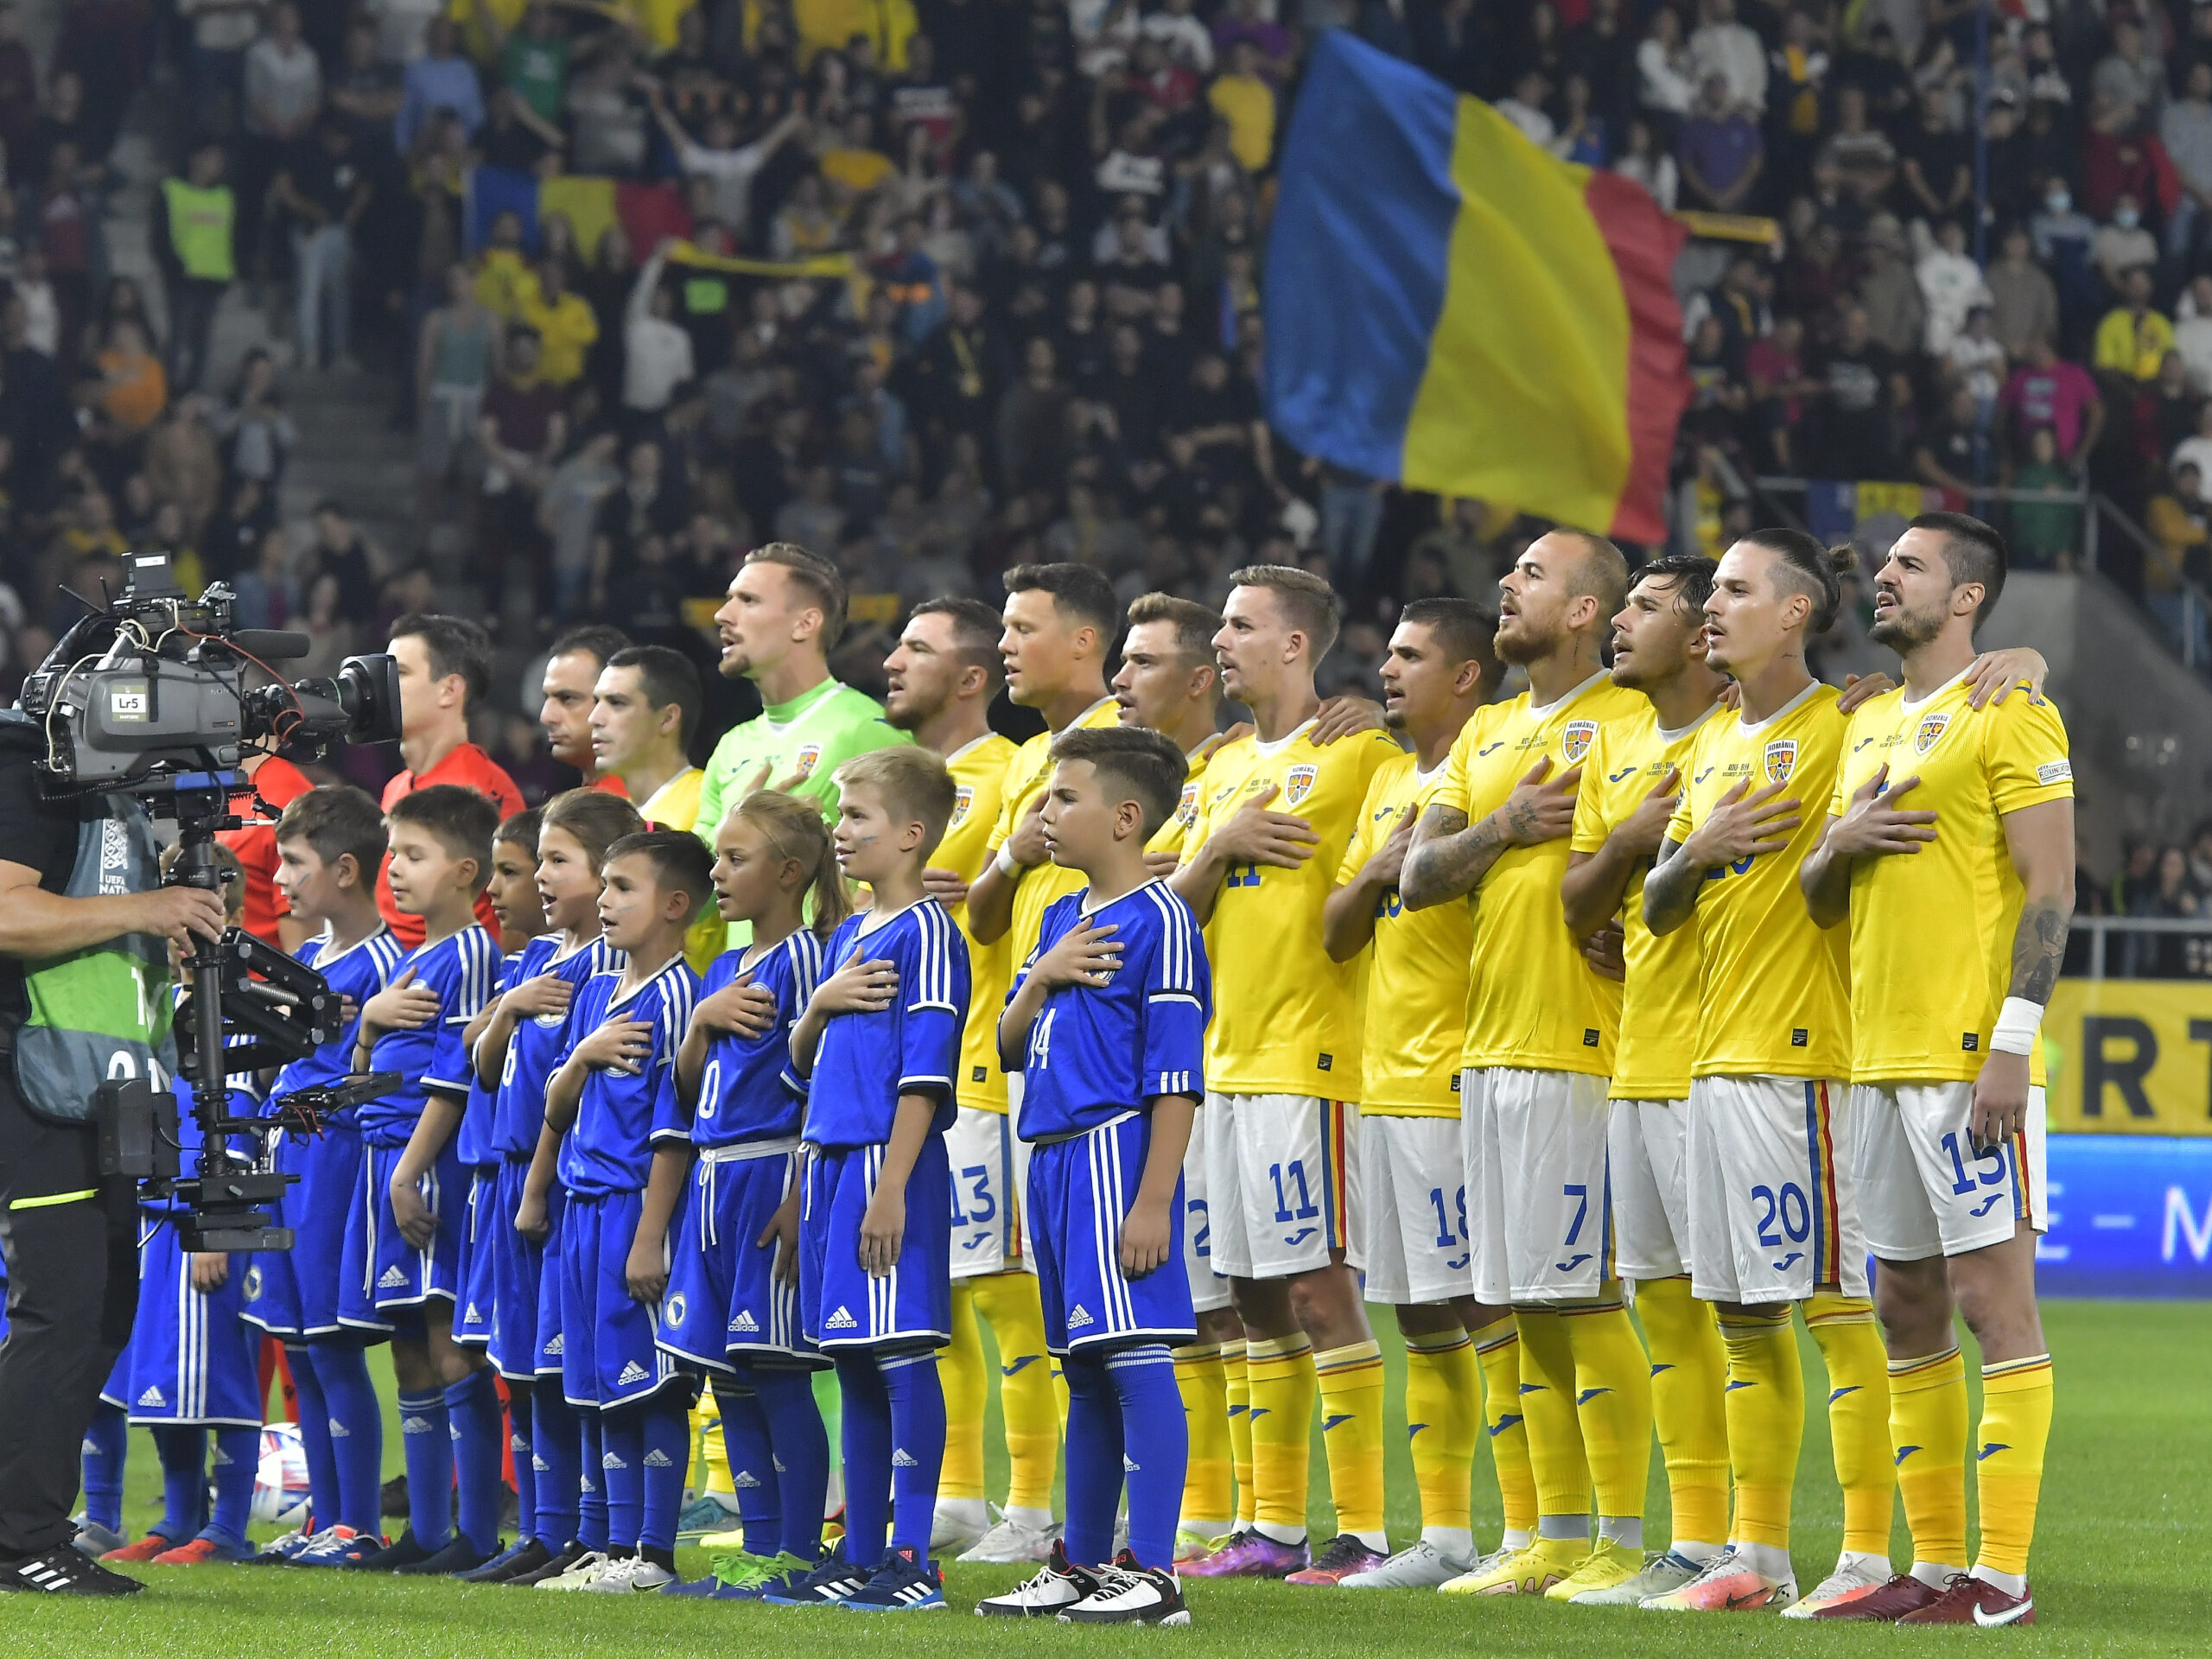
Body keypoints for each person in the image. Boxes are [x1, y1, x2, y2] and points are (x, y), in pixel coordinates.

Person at [1800, 513, 2071, 1626]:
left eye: (1910, 565)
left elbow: (2050, 887)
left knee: (1990, 1303)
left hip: (1967, 1058)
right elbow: (1819, 898)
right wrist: (1836, 845)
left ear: (1967, 598)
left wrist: (2011, 1043)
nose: (1885, 577)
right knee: (1902, 1305)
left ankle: (1999, 1579)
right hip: (1870, 1059)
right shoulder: (1866, 727)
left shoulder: (2011, 710)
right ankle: (1931, 1560)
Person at [1638, 531, 1896, 1614]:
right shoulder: (1708, 748)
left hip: (1802, 1057)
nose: (1713, 606)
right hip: (1709, 1059)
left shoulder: (1844, 724)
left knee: (1833, 1306)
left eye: (1736, 592)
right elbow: (1653, 907)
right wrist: (1692, 854)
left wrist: (2010, 662)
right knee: (1743, 1313)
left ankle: (1870, 1558)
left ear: (1797, 613)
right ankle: (1757, 1554)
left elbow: (1951, 698)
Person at [1400, 531, 1655, 1599]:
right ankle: (1549, 1535)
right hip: (1489, 1046)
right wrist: (1504, 826)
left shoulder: (1632, 716)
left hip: (1578, 1039)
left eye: (1532, 575)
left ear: (1590, 609)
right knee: (1520, 1305)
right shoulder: (1492, 729)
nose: (1506, 586)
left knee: (1585, 1299)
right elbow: (1418, 876)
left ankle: (1629, 1539)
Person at [1170, 565, 1401, 1585]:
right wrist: (1217, 846)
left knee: (1317, 1293)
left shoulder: (1358, 752)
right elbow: (1167, 907)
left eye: (1238, 626)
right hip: (1223, 1060)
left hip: (1310, 1061)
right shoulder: (1214, 770)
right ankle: (1270, 1529)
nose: (1218, 642)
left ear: (1296, 644)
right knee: (1250, 1297)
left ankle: (1364, 1532)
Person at [1319, 598, 1530, 1592]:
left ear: (1466, 678)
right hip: (1382, 1078)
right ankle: (1444, 1536)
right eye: (1385, 652)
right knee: (1415, 1311)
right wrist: (1373, 873)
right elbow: (1337, 929)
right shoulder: (1390, 779)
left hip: (1456, 1071)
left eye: (1410, 656)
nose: (1386, 669)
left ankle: (1528, 1531)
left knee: (1484, 1304)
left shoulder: (1490, 756)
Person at [0, 686, 227, 1595]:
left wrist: (167, 926)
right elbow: (6, 914)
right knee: (60, 1310)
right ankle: (22, 1544)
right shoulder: (28, 776)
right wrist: (147, 908)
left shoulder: (110, 801)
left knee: (100, 1312)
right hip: (36, 1081)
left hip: (100, 1091)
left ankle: (32, 1529)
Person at [979, 725, 1208, 1624]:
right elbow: (1005, 1046)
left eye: (1063, 797)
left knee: (1133, 1354)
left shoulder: (1162, 920)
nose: (1045, 811)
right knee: (1080, 1366)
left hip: (1116, 1153)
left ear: (1123, 818)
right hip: (1052, 1159)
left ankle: (1153, 1577)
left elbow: (1177, 1077)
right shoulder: (1055, 921)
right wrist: (1037, 977)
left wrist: (1152, 1199)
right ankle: (1079, 1564)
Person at [1555, 555, 1732, 1603]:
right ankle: (1694, 1538)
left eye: (1645, 607)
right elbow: (1576, 907)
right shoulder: (1621, 745)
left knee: (1758, 1313)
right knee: (1662, 1310)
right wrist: (1631, 854)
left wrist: (2020, 656)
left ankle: (1745, 1545)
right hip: (1638, 1053)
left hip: (1727, 1057)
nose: (1619, 622)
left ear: (1701, 631)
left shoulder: (1742, 732)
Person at [771, 747, 968, 1611]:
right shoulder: (848, 936)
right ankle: (858, 1550)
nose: (839, 832)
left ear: (912, 834)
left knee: (898, 1356)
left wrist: (890, 1189)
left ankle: (913, 1556)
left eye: (857, 818)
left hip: (886, 1168)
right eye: (839, 816)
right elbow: (799, 1067)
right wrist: (816, 1005)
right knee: (850, 1358)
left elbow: (925, 1076)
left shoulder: (926, 933)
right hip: (826, 1167)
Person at [878, 599, 1049, 1561]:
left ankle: (1030, 1509)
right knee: (937, 1296)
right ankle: (960, 1495)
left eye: (917, 647)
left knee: (999, 1289)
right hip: (906, 1072)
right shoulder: (896, 783)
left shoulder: (1007, 773)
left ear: (974, 676)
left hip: (983, 1062)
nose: (893, 660)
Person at [659, 791, 845, 1599]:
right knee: (730, 1372)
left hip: (769, 1172)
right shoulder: (725, 970)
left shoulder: (807, 957)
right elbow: (688, 1087)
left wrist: (802, 1193)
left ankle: (800, 1551)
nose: (717, 872)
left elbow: (818, 1085)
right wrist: (699, 1023)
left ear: (790, 872)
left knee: (775, 1368)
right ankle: (760, 1548)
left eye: (736, 859)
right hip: (711, 1174)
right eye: (718, 857)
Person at [517, 830, 708, 1592]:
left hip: (633, 1208)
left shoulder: (678, 997)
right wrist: (584, 1055)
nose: (604, 901)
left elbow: (674, 1131)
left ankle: (653, 1553)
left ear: (674, 904)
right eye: (605, 886)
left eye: (623, 888)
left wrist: (651, 1237)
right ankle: (605, 1541)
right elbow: (556, 1100)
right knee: (593, 1380)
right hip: (580, 1206)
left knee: (649, 1384)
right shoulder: (599, 993)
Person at [464, 788, 638, 1587]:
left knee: (567, 1369)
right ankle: (541, 1527)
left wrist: (538, 1187)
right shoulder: (538, 961)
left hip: (557, 1186)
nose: (537, 877)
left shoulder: (604, 969)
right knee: (525, 1367)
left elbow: (567, 1101)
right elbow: (484, 1062)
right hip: (510, 1181)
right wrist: (506, 1013)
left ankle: (580, 1528)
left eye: (556, 861)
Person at [239, 786, 406, 1567]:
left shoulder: (386, 966)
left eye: (295, 865)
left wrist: (294, 1114)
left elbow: (374, 1081)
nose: (281, 882)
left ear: (345, 869)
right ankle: (321, 1522)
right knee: (298, 1346)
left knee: (334, 1345)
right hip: (290, 1160)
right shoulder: (306, 960)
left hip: (334, 1161)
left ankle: (357, 1525)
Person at [345, 784, 507, 1573]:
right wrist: (369, 1029)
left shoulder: (473, 951)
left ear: (466, 870)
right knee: (408, 1346)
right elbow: (363, 1076)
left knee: (449, 1343)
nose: (396, 870)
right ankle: (429, 1531)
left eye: (414, 855)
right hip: (388, 1161)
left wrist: (410, 1171)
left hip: (429, 1162)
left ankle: (477, 1531)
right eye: (393, 854)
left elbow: (461, 1074)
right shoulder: (412, 957)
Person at [1107, 592, 1239, 1555]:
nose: (1121, 679)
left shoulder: (1247, 769)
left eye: (1140, 662)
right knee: (1180, 1305)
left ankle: (1254, 1517)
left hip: (1209, 1067)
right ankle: (1200, 1517)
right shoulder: (1125, 775)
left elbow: (1152, 921)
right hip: (1115, 1079)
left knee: (1229, 1299)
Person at [93, 844, 264, 1567]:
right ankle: (177, 1518)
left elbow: (255, 1117)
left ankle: (226, 1529)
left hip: (212, 1214)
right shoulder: (153, 998)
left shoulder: (253, 1004)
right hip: (154, 1211)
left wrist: (223, 1224)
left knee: (216, 1373)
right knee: (161, 1372)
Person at [692, 543, 912, 949]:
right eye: (728, 601)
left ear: (805, 623)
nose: (723, 615)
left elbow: (904, 879)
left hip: (821, 987)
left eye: (748, 600)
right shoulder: (731, 746)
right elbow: (694, 896)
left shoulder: (864, 729)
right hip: (743, 991)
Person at [378, 613, 525, 946]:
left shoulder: (482, 792)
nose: (381, 687)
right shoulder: (397, 786)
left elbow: (517, 922)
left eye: (399, 673)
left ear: (449, 690)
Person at [156, 137, 236, 395]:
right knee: (178, 339)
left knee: (202, 342)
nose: (215, 164)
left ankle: (193, 393)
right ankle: (169, 392)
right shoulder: (171, 190)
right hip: (182, 278)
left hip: (213, 278)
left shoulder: (225, 196)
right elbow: (160, 236)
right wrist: (173, 266)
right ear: (195, 158)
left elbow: (231, 236)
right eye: (210, 157)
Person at [538, 624, 632, 792]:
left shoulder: (633, 807)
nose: (546, 717)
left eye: (567, 699)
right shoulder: (593, 797)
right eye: (547, 698)